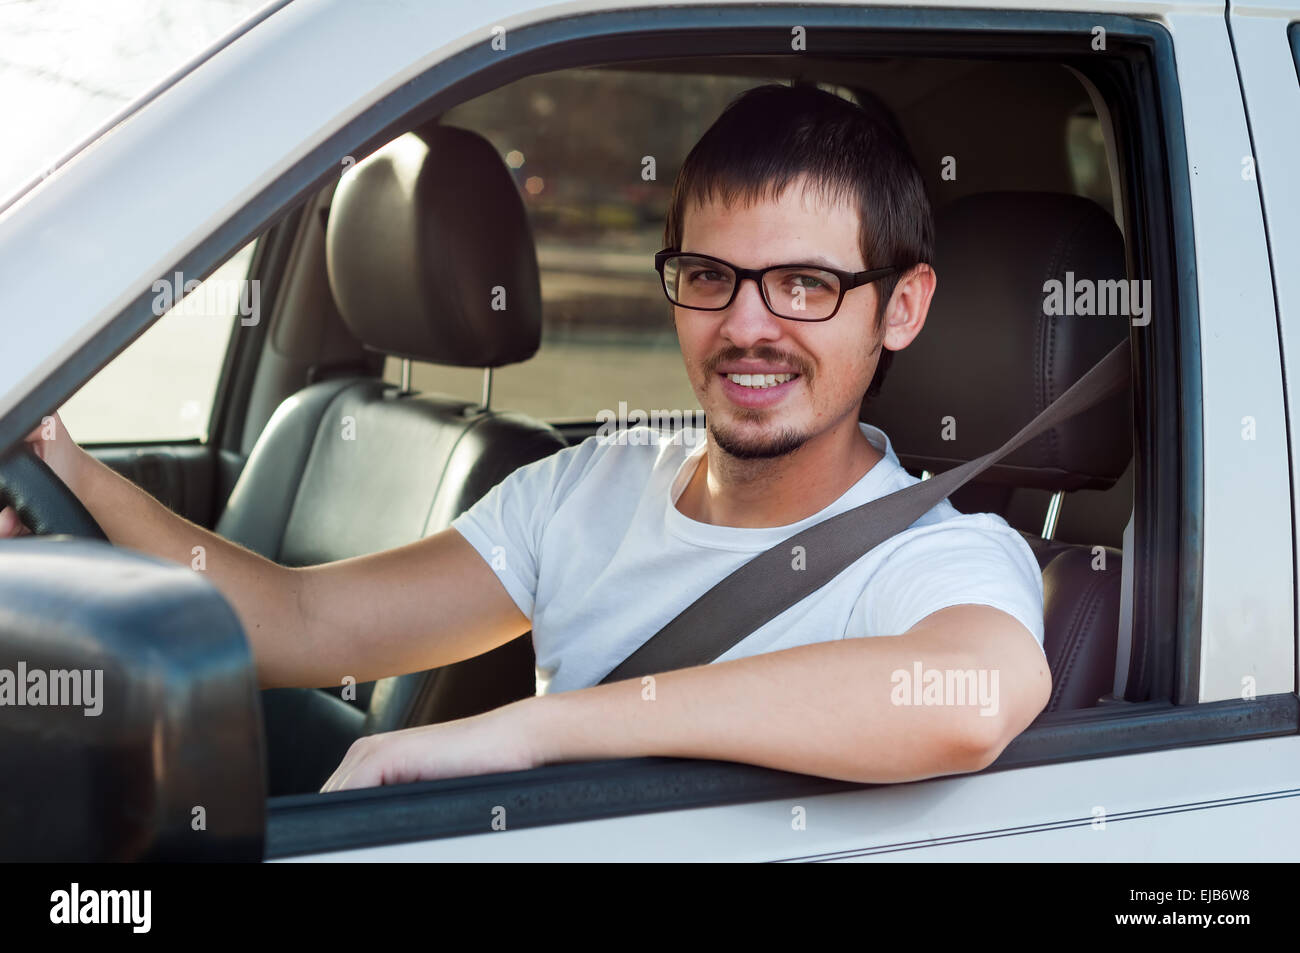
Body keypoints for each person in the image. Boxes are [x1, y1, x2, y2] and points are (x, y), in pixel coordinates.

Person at [0, 84, 1050, 792]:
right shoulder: (589, 486)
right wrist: (65, 465)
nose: (745, 326)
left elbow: (969, 698)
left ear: (901, 307)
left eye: (805, 285)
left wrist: (530, 731)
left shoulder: (939, 555)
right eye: (708, 276)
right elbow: (299, 622)